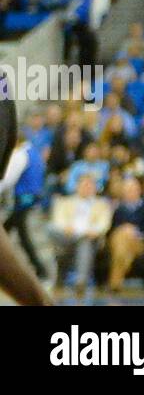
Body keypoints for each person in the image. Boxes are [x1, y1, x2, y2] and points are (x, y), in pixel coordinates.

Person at [0, 75, 52, 304]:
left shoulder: (24, 153)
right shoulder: (32, 151)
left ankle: (41, 275)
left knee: (19, 235)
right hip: (30, 197)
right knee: (17, 236)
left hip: (25, 198)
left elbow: (8, 178)